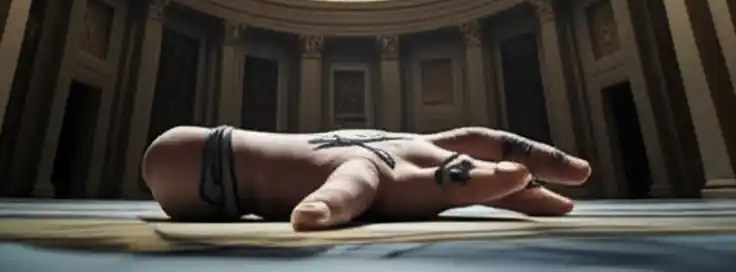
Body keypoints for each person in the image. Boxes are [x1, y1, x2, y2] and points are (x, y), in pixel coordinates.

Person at [142, 125, 592, 231]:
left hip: (202, 174)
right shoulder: (371, 165)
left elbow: (339, 190)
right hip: (202, 176)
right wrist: (329, 204)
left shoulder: (399, 150)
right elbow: (321, 205)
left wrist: (333, 200)